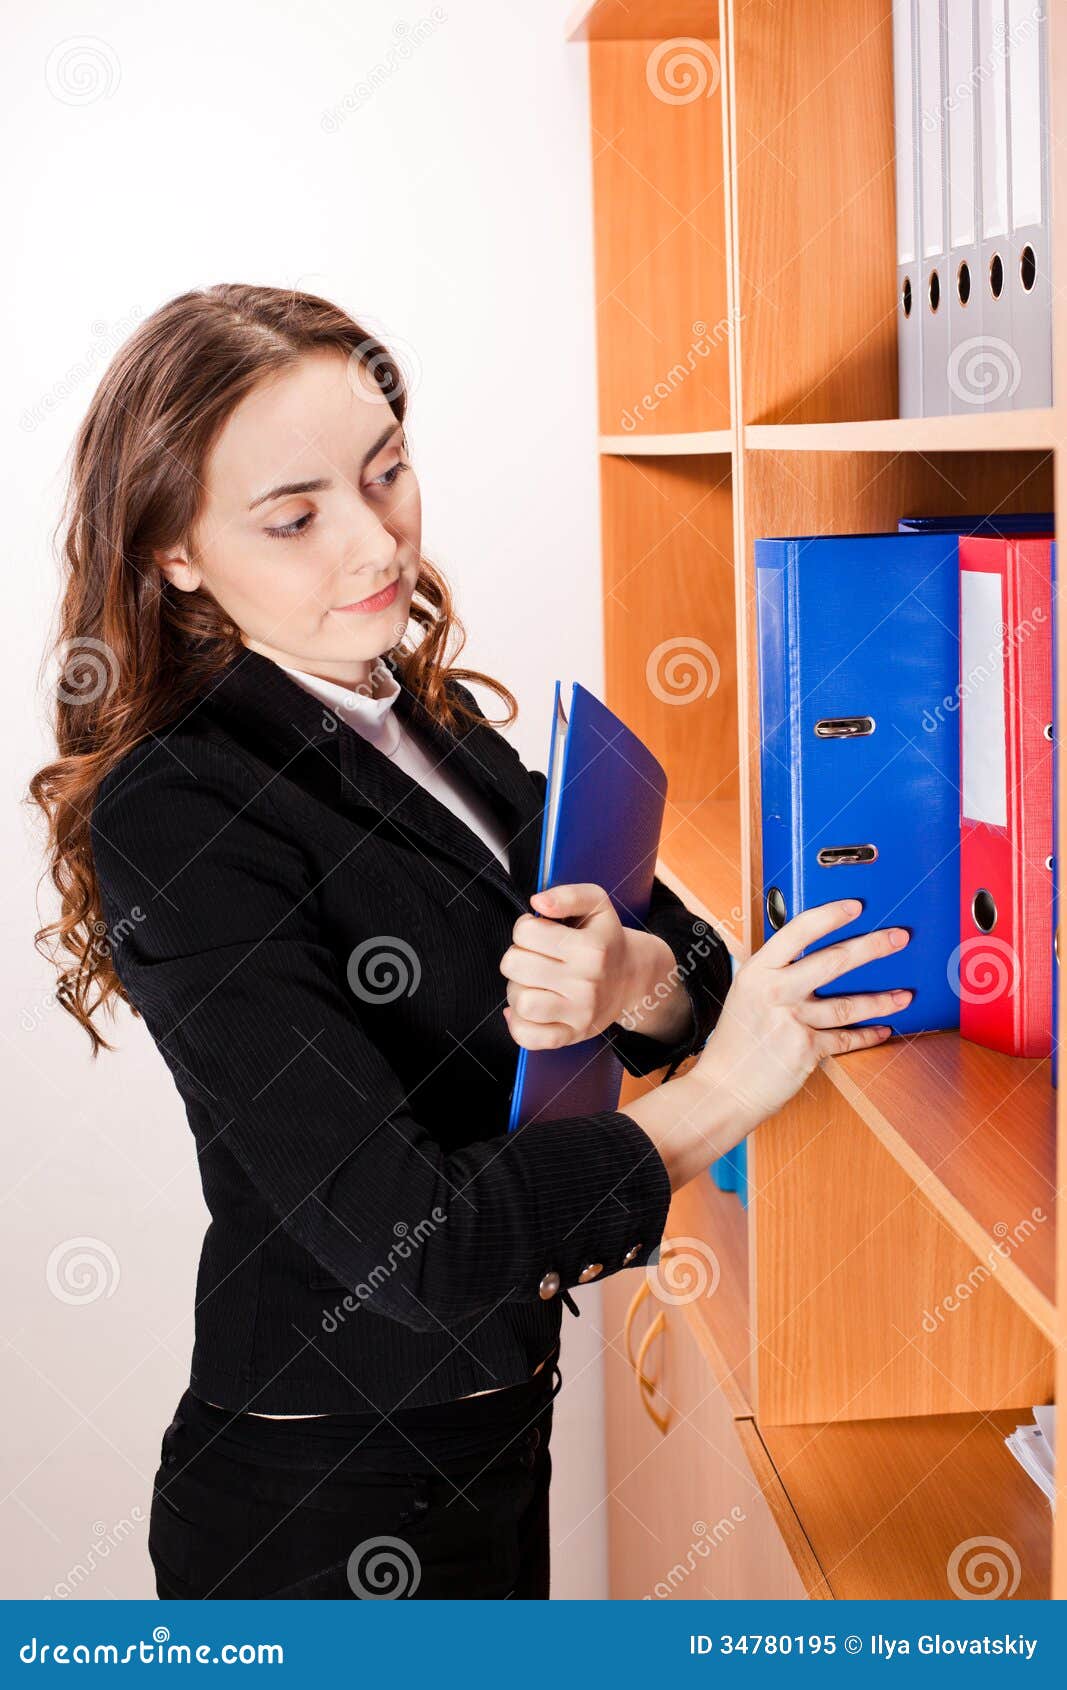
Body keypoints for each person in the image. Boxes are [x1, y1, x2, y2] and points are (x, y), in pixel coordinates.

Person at [27, 283, 913, 1600]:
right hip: (321, 1508)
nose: (374, 541)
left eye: (388, 473)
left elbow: (677, 947)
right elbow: (415, 1244)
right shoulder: (183, 802)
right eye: (296, 515)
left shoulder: (414, 715)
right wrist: (723, 1093)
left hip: (491, 1441)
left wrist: (641, 976)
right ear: (176, 553)